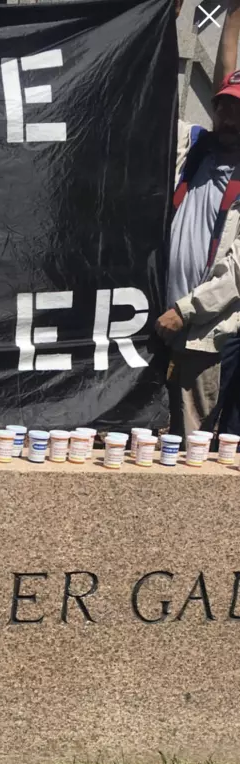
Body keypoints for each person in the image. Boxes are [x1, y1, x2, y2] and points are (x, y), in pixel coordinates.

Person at [155, 3, 240, 438]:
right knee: (143, 439)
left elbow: (236, 276)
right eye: (224, 107)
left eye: (239, 111)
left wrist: (184, 312)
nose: (229, 118)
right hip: (155, 319)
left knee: (191, 443)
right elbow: (155, 97)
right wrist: (160, 22)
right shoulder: (197, 149)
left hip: (201, 335)